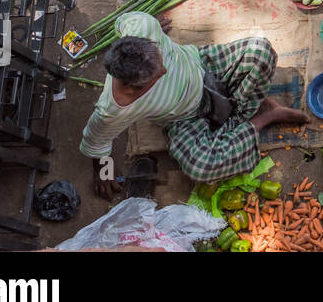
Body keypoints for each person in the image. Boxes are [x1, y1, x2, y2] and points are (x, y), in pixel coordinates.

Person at [80, 12, 306, 196]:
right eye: (157, 76)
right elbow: (96, 143)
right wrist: (104, 172)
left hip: (203, 66)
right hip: (186, 118)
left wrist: (154, 25)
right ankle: (264, 116)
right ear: (132, 88)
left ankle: (233, 120)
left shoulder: (143, 26)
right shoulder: (113, 110)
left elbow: (121, 22)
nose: (165, 71)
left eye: (160, 57)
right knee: (201, 167)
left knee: (261, 50)